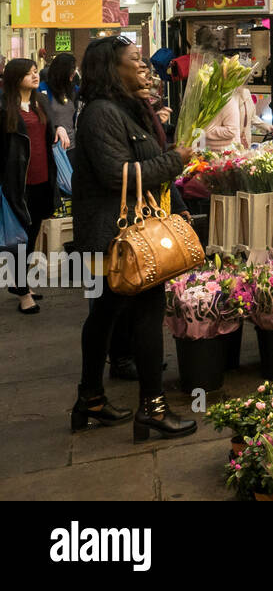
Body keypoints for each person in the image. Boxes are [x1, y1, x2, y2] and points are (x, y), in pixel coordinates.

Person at [71, 35, 196, 440]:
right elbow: (118, 175)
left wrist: (177, 205)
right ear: (112, 69)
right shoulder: (100, 114)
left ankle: (90, 399)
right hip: (117, 234)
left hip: (136, 227)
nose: (144, 67)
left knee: (106, 311)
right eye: (135, 60)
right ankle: (152, 408)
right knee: (144, 311)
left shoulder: (132, 108)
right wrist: (176, 160)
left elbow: (149, 163)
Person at [1, 58, 65, 314]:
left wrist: (59, 128)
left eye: (36, 71)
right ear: (16, 78)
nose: (35, 76)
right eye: (29, 73)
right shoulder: (5, 108)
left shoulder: (40, 103)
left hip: (42, 180)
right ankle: (23, 292)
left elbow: (47, 133)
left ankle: (20, 283)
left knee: (33, 233)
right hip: (17, 183)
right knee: (20, 239)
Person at [205, 84, 273, 150]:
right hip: (226, 146)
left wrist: (267, 127)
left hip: (244, 141)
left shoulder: (246, 93)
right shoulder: (222, 97)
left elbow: (251, 116)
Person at [43, 52, 80, 156]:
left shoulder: (74, 90)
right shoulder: (42, 90)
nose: (74, 72)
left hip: (72, 146)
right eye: (72, 69)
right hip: (52, 146)